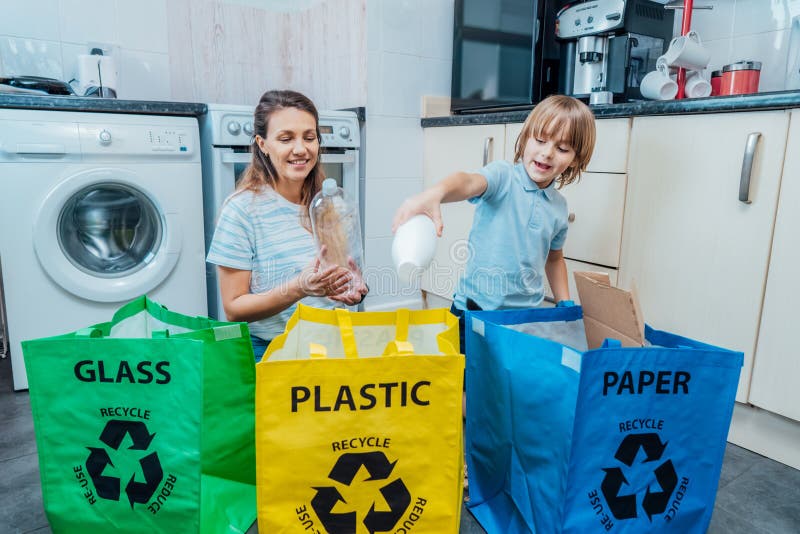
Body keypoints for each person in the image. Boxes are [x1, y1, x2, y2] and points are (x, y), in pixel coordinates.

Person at [392, 94, 596, 352]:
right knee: (464, 376)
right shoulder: (503, 177)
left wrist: (564, 303)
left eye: (562, 149)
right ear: (526, 138)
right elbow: (467, 182)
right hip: (474, 313)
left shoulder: (559, 207)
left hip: (523, 322)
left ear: (575, 159)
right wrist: (436, 193)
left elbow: (554, 258)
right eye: (540, 140)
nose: (547, 153)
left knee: (507, 377)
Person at [207, 90, 368, 361]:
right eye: (286, 138)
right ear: (263, 144)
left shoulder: (327, 204)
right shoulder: (241, 210)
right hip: (273, 352)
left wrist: (353, 288)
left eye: (309, 137)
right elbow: (234, 308)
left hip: (333, 345)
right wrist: (299, 288)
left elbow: (336, 279)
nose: (301, 149)